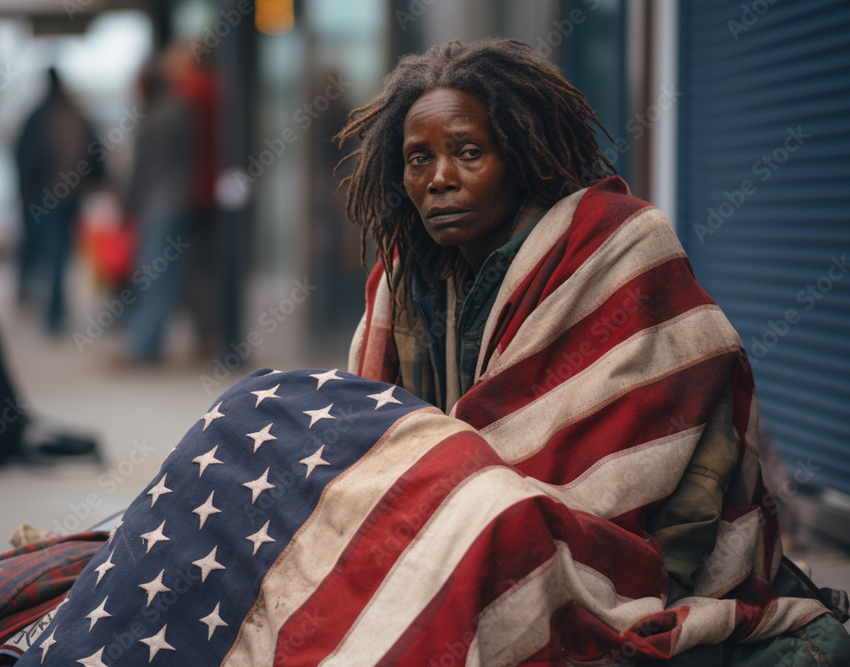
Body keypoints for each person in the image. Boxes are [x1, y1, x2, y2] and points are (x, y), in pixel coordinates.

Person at [342, 38, 850, 663]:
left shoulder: (619, 249)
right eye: (418, 159)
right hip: (476, 534)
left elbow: (670, 481)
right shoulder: (404, 281)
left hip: (658, 556)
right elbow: (381, 445)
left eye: (468, 153)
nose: (440, 178)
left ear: (520, 155)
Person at [119, 55, 195, 362]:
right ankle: (147, 340)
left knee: (155, 275)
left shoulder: (157, 115)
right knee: (160, 275)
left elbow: (141, 167)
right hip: (170, 201)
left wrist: (127, 203)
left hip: (159, 203)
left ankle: (145, 343)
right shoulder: (174, 110)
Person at [15, 67, 101, 333]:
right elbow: (96, 155)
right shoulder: (77, 116)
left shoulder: (38, 118)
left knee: (49, 255)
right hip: (68, 200)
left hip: (45, 200)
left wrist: (26, 194)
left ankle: (52, 312)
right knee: (59, 257)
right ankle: (55, 311)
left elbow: (22, 158)